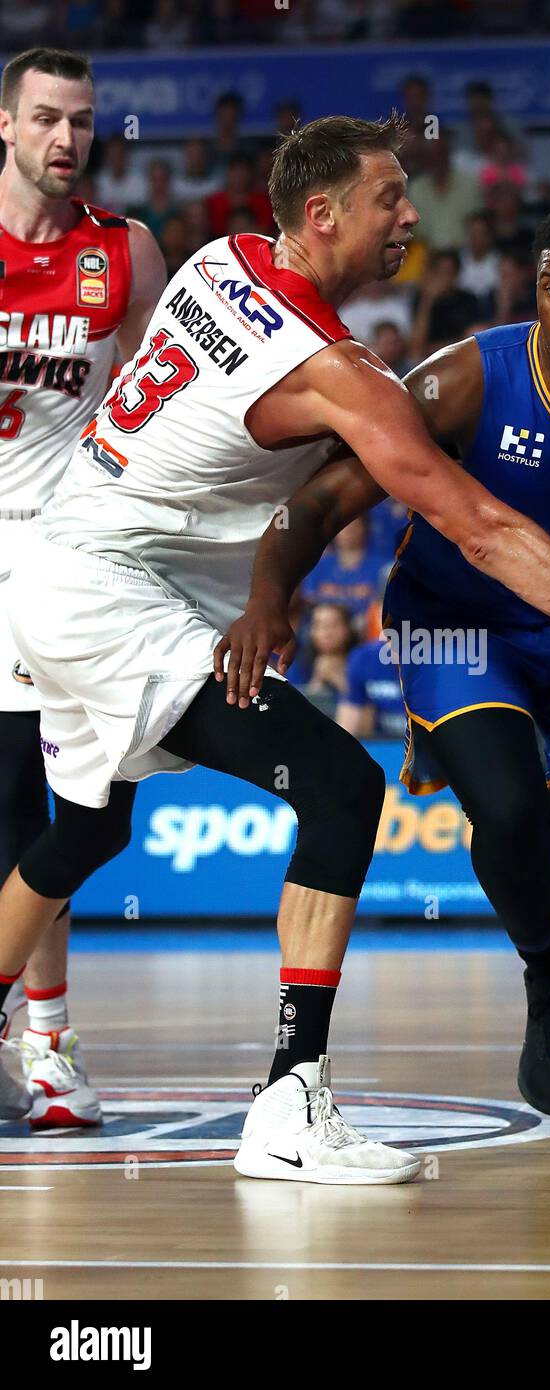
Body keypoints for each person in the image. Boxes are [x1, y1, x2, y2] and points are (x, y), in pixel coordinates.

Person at [0, 118, 550, 1183]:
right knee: (342, 787)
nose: (409, 216)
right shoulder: (338, 370)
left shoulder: (220, 262)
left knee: (84, 833)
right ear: (321, 214)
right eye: (390, 199)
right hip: (111, 599)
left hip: (61, 571)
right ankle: (290, 1105)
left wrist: (261, 593)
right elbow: (477, 526)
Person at [224, 201, 550, 1150]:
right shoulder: (464, 376)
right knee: (506, 808)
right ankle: (548, 973)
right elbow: (318, 502)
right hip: (455, 624)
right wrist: (271, 595)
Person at [0, 46, 166, 1125]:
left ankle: (47, 1041)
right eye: (47, 118)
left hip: (74, 562)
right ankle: (42, 1037)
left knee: (69, 817)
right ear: (4, 126)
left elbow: (168, 398)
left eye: (84, 121)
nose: (68, 138)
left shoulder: (127, 250)